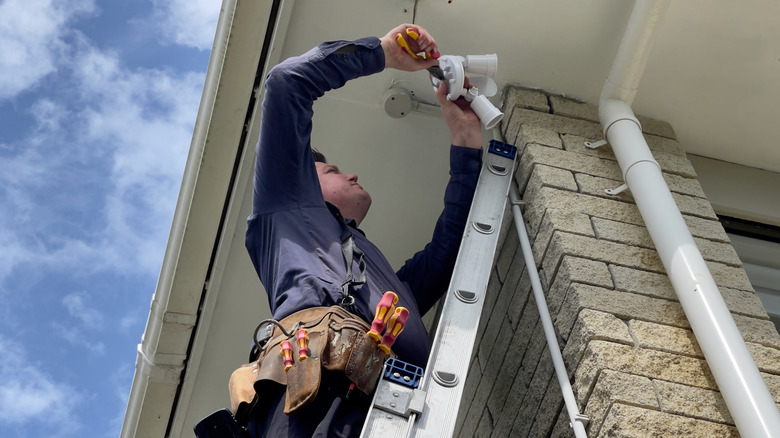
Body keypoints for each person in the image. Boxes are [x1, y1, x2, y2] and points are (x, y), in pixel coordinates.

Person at [242, 23, 483, 437]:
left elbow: (450, 252)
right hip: (315, 408)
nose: (351, 174)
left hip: (391, 415)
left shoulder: (375, 275)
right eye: (332, 170)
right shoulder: (284, 206)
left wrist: (465, 142)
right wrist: (384, 53)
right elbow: (287, 84)